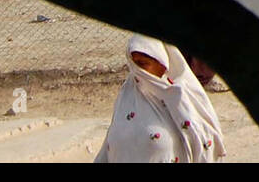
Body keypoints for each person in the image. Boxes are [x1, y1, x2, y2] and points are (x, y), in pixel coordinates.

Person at [95, 35, 225, 162]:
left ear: (162, 62)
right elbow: (110, 145)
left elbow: (204, 144)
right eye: (133, 63)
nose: (138, 70)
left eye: (143, 63)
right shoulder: (128, 95)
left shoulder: (182, 98)